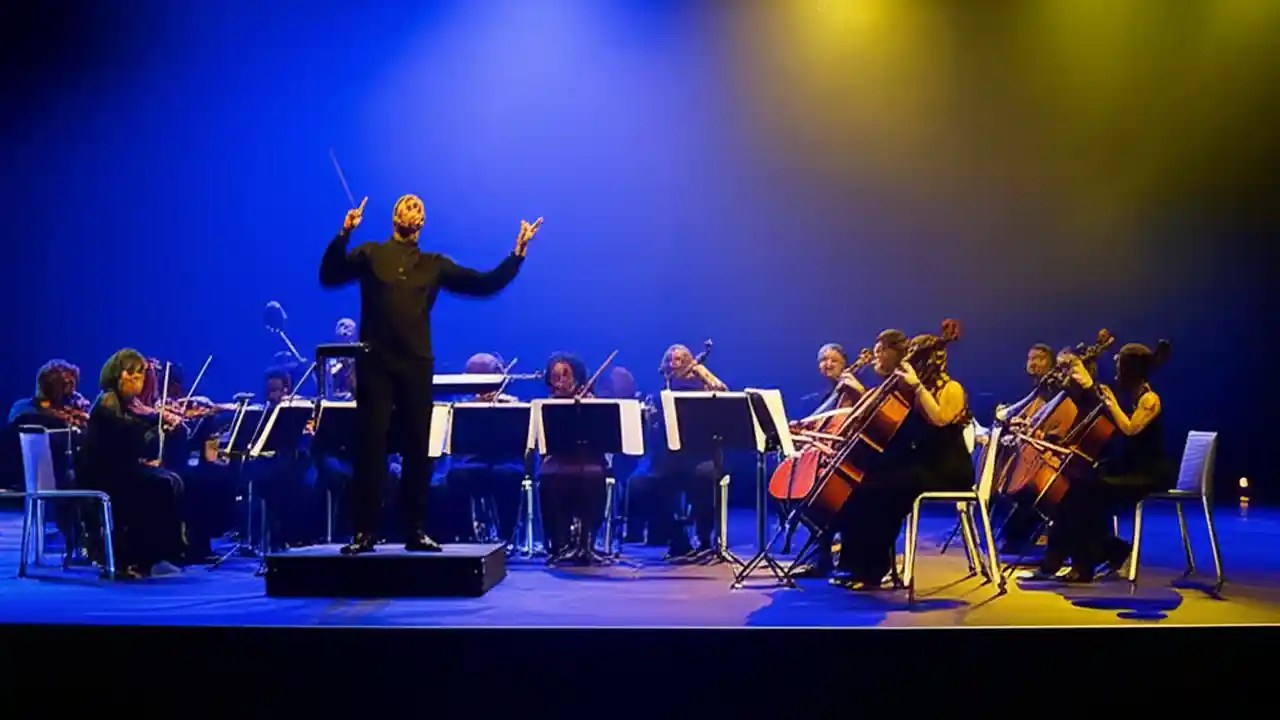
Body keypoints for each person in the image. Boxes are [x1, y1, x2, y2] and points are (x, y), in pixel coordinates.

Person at [319, 194, 540, 554]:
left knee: (417, 448)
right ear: (396, 217)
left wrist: (518, 253)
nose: (413, 211)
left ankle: (416, 530)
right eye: (407, 206)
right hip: (375, 363)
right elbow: (329, 275)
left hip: (415, 363)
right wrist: (344, 233)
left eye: (418, 208)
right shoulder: (371, 253)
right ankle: (364, 532)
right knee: (370, 447)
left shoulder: (433, 264)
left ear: (422, 221)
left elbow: (483, 283)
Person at [831, 329, 974, 590]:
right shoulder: (912, 389)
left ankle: (873, 571)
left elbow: (940, 419)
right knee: (861, 490)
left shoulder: (951, 387)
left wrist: (918, 387)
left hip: (947, 470)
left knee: (884, 494)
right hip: (922, 465)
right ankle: (853, 565)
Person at [1024, 341, 1174, 583]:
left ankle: (1088, 562)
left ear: (1131, 370)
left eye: (1119, 366)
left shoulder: (1150, 399)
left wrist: (1109, 403)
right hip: (1125, 469)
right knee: (1072, 494)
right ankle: (1068, 561)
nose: (1115, 372)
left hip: (1146, 474)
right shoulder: (1131, 397)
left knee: (1081, 495)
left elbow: (1130, 429)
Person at [78, 348, 188, 578]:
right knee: (159, 486)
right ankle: (143, 557)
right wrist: (151, 426)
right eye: (134, 376)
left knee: (170, 479)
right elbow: (120, 441)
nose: (138, 382)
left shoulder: (124, 402)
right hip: (103, 476)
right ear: (121, 375)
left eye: (141, 376)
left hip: (118, 469)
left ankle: (166, 552)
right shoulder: (108, 402)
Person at [535, 352, 610, 563]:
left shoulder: (592, 402)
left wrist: (590, 409)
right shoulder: (545, 406)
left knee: (593, 477)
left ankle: (587, 541)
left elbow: (604, 438)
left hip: (590, 458)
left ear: (577, 377)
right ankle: (560, 543)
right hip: (558, 459)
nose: (561, 382)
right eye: (555, 377)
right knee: (550, 479)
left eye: (566, 375)